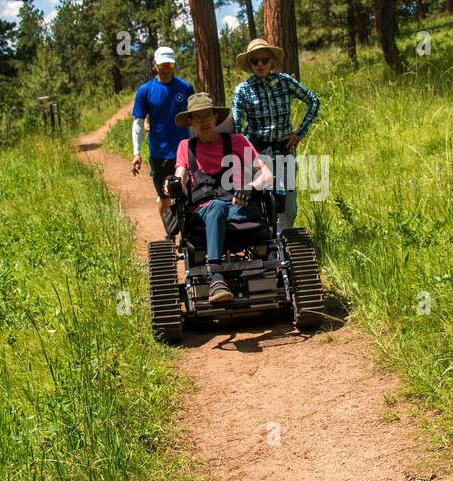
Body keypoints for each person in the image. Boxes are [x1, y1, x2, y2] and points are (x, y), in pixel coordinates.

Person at [173, 93, 273, 304]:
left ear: (216, 117)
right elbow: (179, 177)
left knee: (228, 207)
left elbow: (266, 174)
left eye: (207, 115)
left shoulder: (237, 141)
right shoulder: (186, 147)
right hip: (203, 214)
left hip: (238, 208)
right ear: (190, 122)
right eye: (197, 117)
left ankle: (221, 278)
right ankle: (216, 277)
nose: (204, 121)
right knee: (216, 207)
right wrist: (171, 184)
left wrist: (250, 187)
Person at [229, 37, 320, 231]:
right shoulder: (243, 90)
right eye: (255, 61)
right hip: (256, 151)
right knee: (259, 198)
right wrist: (240, 151)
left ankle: (284, 241)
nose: (260, 64)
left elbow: (314, 101)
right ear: (250, 64)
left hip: (284, 148)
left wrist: (299, 133)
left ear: (271, 61)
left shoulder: (285, 82)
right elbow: (237, 125)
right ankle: (266, 241)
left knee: (288, 204)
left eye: (264, 60)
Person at [130, 46, 193, 215]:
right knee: (165, 199)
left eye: (169, 65)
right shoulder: (145, 91)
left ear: (174, 65)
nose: (165, 69)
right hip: (160, 154)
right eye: (162, 65)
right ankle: (170, 233)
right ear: (154, 65)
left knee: (188, 196)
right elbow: (138, 122)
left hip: (185, 152)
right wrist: (136, 152)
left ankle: (187, 234)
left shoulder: (185, 88)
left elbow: (195, 118)